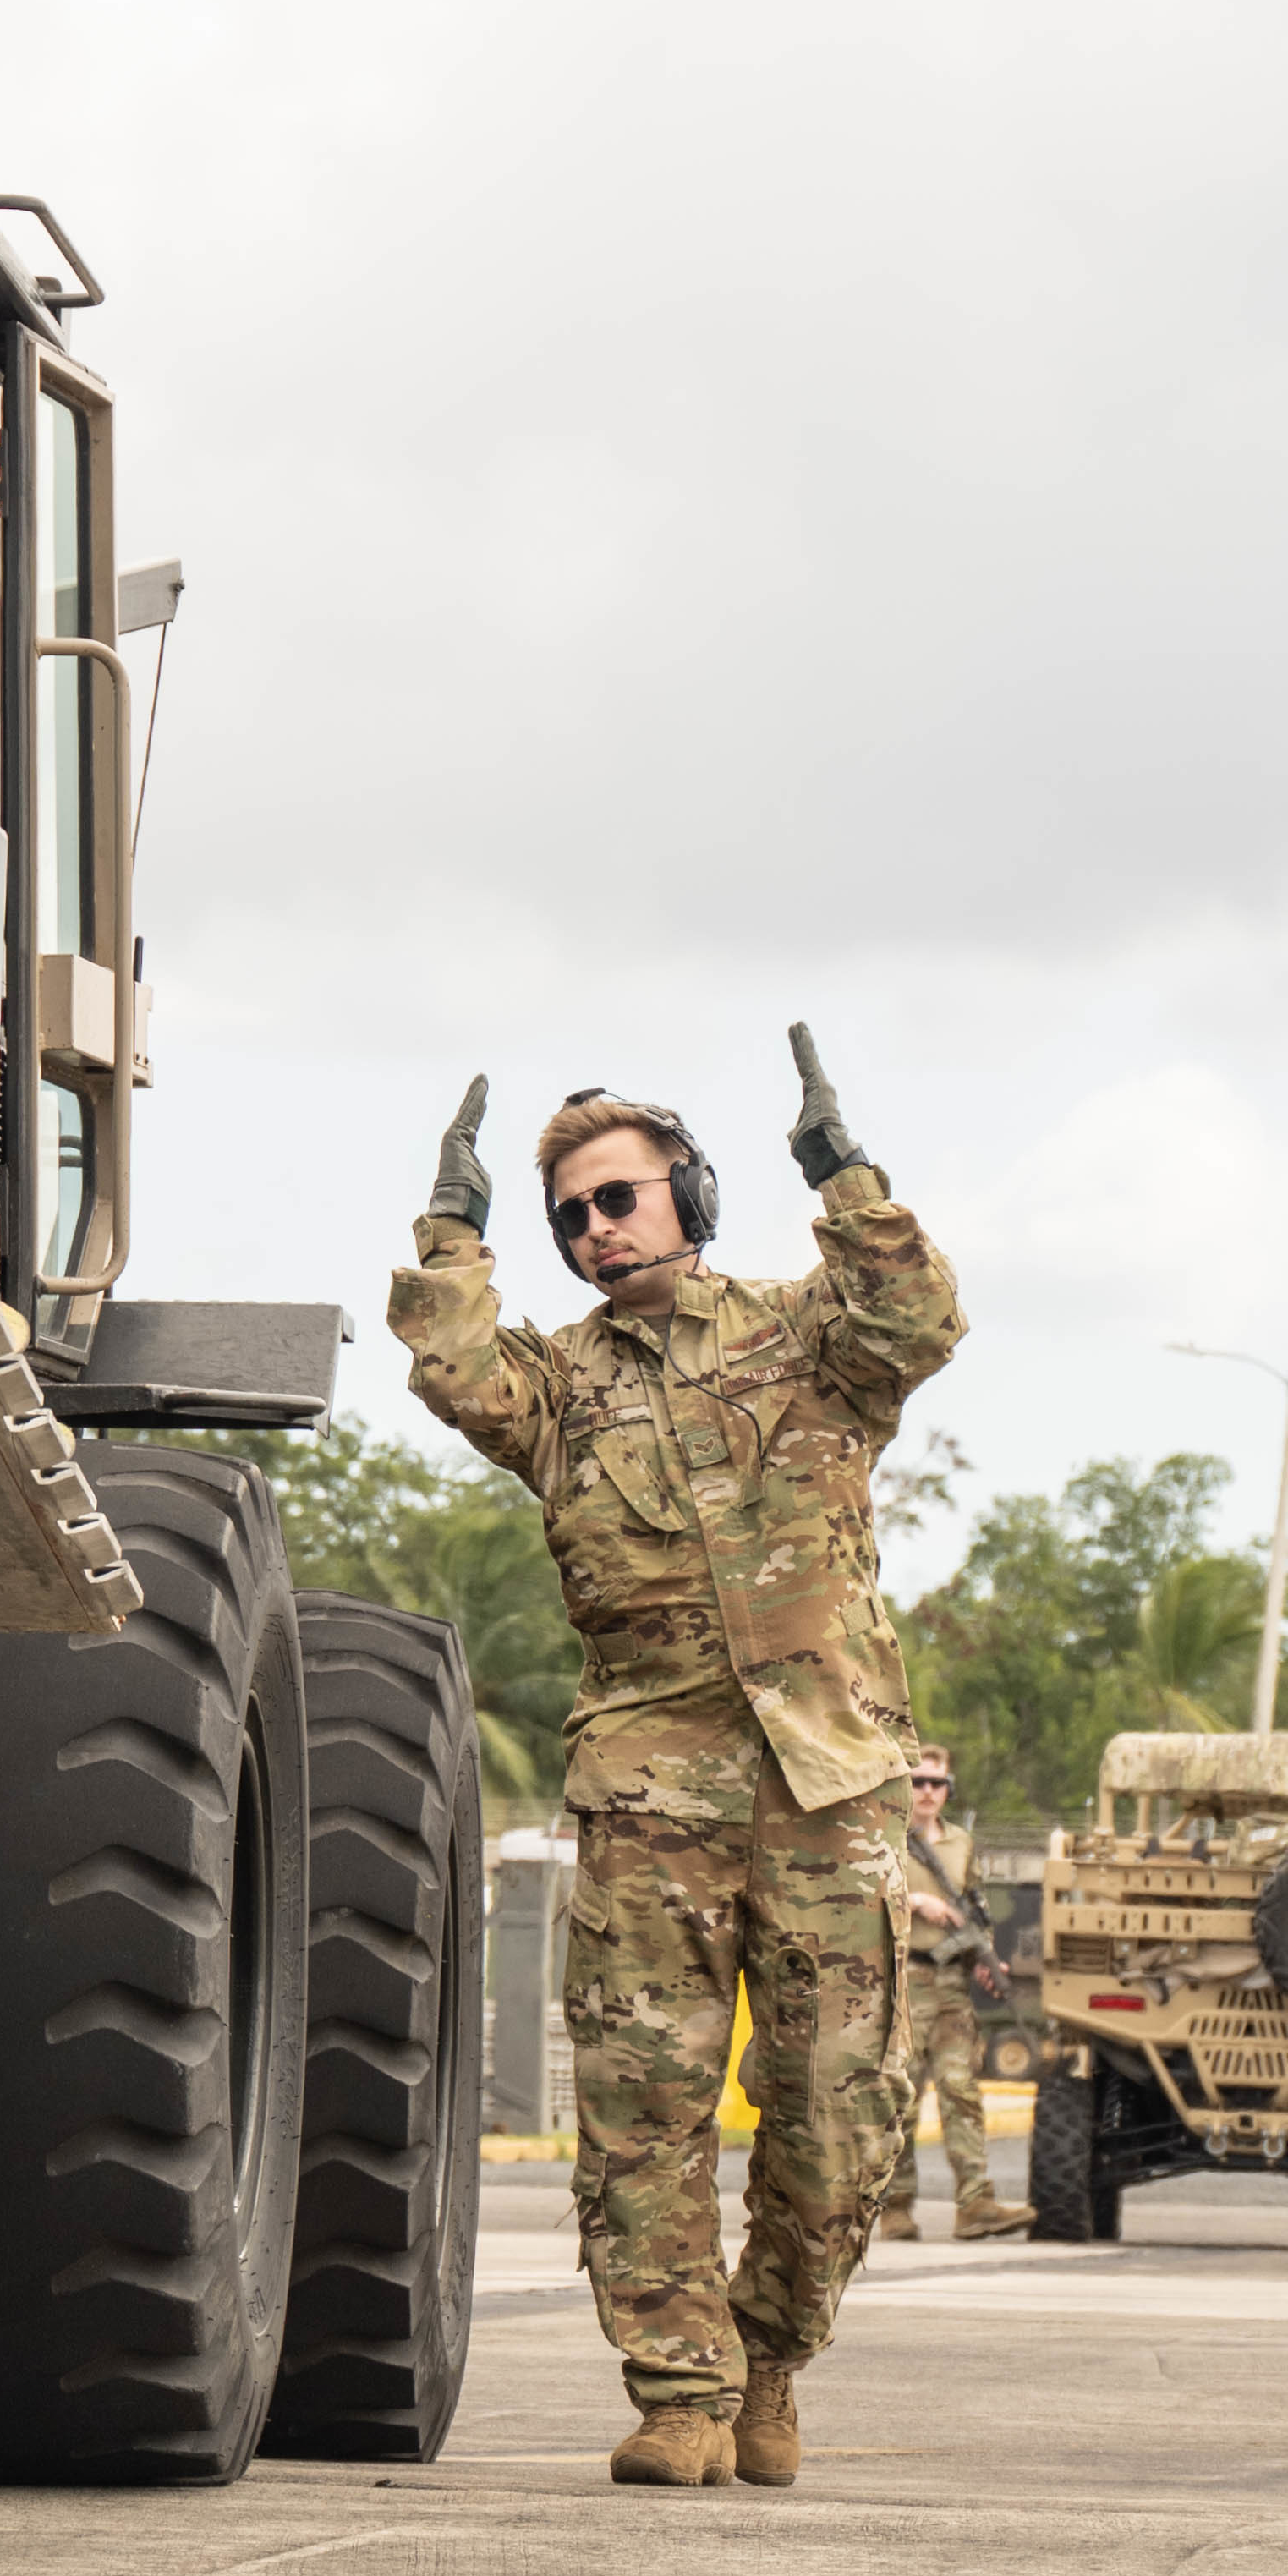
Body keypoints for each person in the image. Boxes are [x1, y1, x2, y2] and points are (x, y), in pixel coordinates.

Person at [392, 1030, 961, 2488]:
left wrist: (845, 1177)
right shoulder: (560, 1385)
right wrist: (453, 1229)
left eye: (622, 1195)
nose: (599, 1227)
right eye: (572, 1212)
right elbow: (454, 1366)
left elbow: (918, 1318)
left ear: (688, 1193)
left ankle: (773, 2355)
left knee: (842, 2105)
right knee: (644, 2111)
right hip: (654, 1795)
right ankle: (680, 2392)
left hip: (831, 1784)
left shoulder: (806, 1336)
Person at [885, 1744, 1032, 2242]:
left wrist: (986, 1960)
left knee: (961, 2090)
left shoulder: (961, 1845)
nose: (928, 1792)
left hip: (949, 1985)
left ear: (949, 1790)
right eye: (919, 1782)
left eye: (938, 1784)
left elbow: (974, 1911)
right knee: (900, 2097)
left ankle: (976, 2202)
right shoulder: (884, 1836)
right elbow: (859, 1894)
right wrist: (914, 1900)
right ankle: (895, 2207)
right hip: (901, 1981)